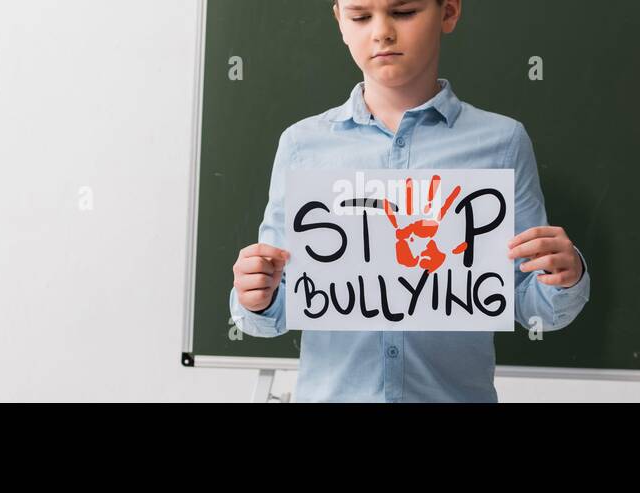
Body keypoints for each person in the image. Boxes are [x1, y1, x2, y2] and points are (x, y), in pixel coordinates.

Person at [228, 0, 590, 402]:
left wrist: (564, 276)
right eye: (361, 17)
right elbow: (272, 312)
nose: (381, 31)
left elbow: (533, 308)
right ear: (340, 23)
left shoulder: (502, 143)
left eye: (403, 12)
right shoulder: (302, 146)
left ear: (448, 12)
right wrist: (255, 295)